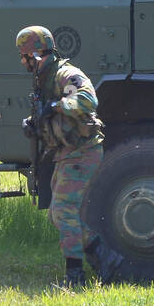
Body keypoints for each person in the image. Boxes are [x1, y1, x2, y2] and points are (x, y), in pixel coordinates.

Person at [16, 25, 107, 287]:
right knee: (58, 214)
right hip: (67, 153)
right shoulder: (43, 79)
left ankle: (75, 277)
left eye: (24, 57)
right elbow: (48, 114)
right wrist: (34, 122)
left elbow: (88, 101)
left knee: (64, 211)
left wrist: (55, 106)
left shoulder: (66, 74)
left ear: (35, 55)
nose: (22, 63)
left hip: (83, 151)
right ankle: (104, 259)